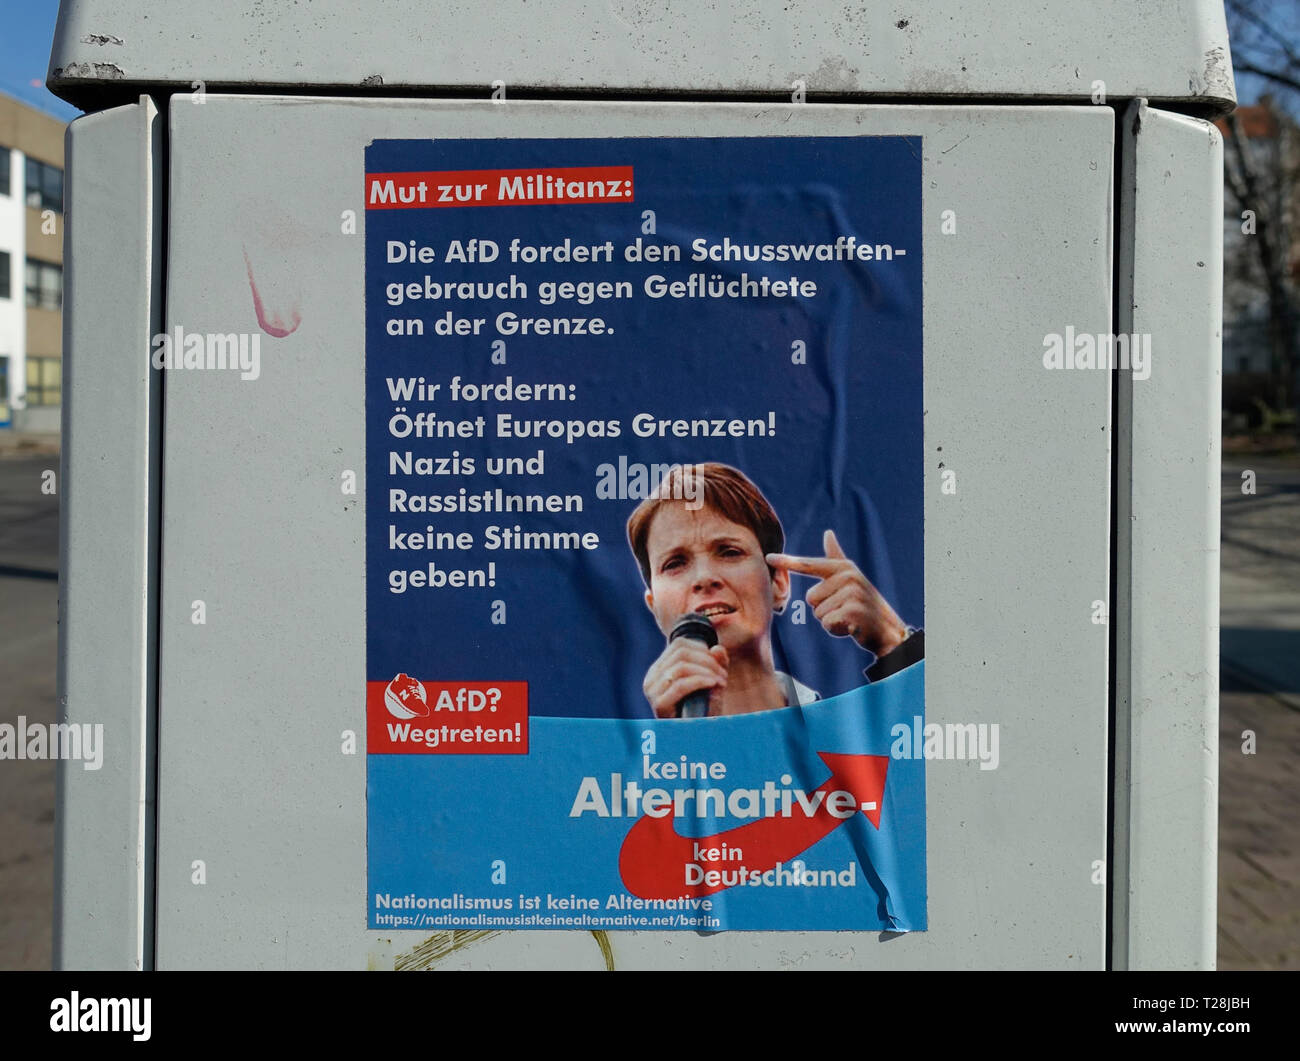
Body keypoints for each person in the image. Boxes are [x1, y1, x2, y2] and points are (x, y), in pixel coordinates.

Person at [626, 462, 922, 719]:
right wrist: (682, 747)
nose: (704, 577)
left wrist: (896, 645)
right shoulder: (618, 774)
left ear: (779, 582)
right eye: (675, 563)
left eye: (729, 552)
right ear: (654, 606)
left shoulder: (852, 736)